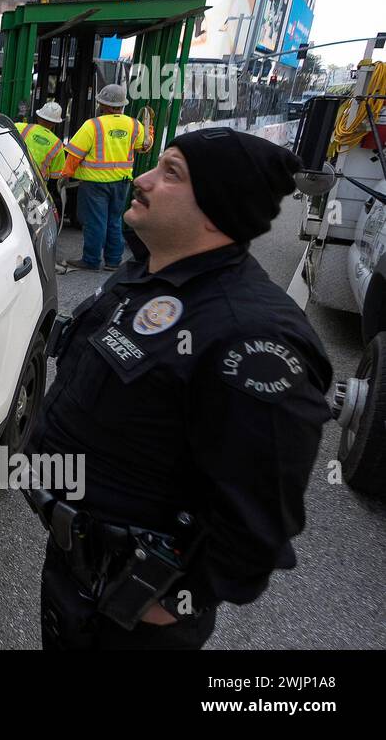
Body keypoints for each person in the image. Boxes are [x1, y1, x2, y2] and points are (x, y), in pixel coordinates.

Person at [23, 128, 331, 650]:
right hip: (74, 568)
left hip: (137, 616)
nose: (141, 179)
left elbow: (260, 517)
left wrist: (169, 603)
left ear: (217, 209)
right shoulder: (144, 275)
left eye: (171, 173)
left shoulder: (252, 335)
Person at [59, 84, 150, 271]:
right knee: (114, 220)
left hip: (95, 183)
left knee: (95, 221)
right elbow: (143, 147)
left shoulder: (93, 125)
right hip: (122, 182)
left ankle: (91, 260)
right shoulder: (135, 125)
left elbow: (75, 154)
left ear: (102, 103)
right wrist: (150, 134)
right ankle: (113, 261)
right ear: (122, 104)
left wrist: (65, 174)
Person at [15, 102, 67, 181]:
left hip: (15, 174)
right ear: (54, 124)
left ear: (38, 117)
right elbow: (55, 176)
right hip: (36, 185)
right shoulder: (58, 144)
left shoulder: (20, 127)